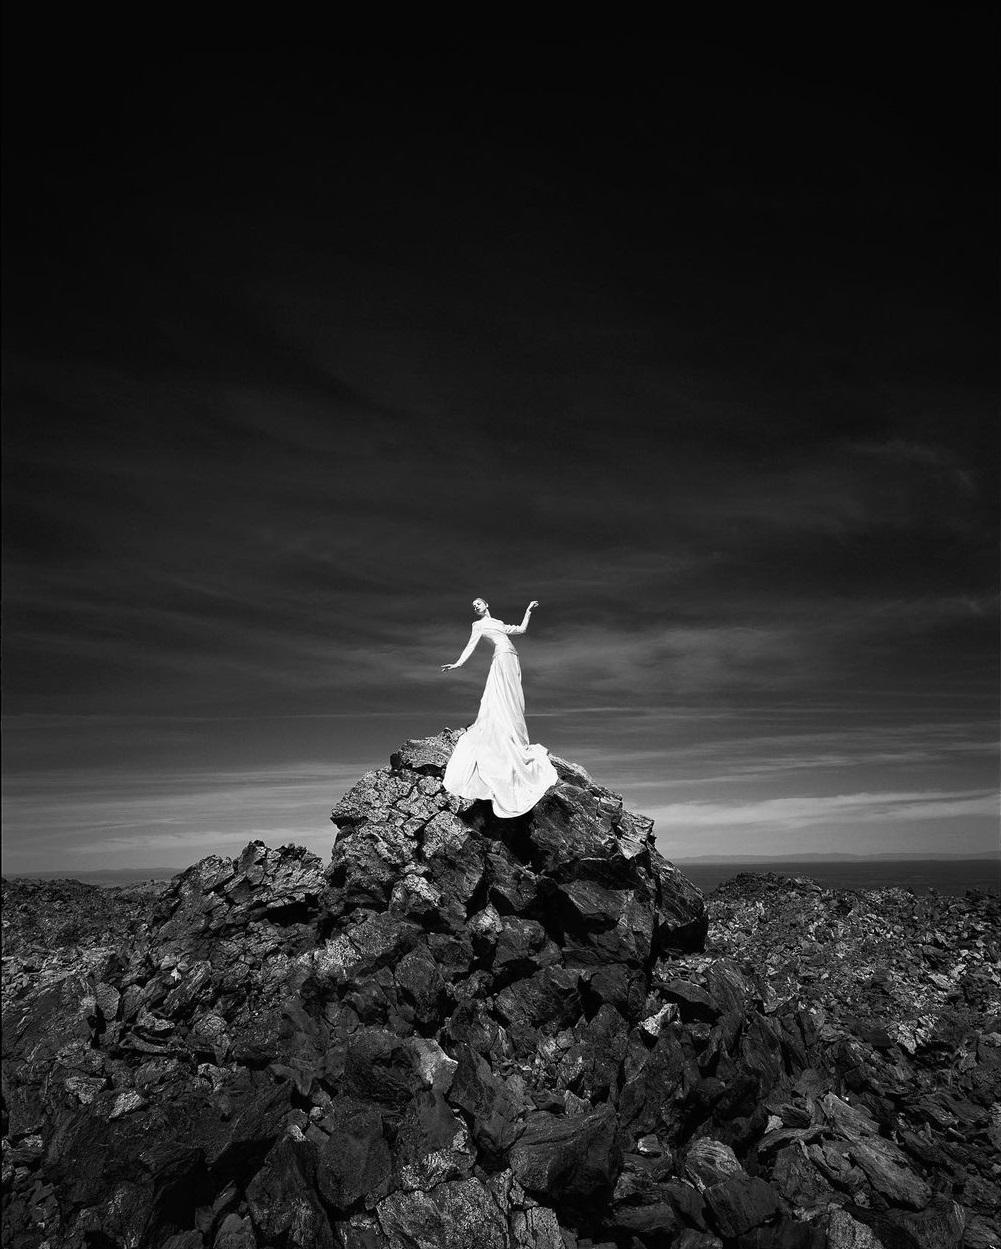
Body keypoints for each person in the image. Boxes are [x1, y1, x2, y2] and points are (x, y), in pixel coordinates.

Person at [440, 597, 558, 818]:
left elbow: (521, 630)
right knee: (503, 695)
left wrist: (528, 610)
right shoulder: (478, 625)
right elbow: (471, 645)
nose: (475, 606)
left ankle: (514, 731)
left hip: (513, 657)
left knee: (515, 698)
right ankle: (505, 730)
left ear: (487, 605)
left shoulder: (500, 623)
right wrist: (458, 663)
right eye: (472, 605)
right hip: (502, 657)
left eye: (478, 603)